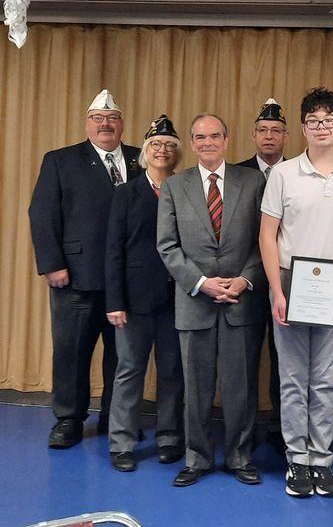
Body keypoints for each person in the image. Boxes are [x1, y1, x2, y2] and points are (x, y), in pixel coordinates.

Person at [259, 87, 333, 498]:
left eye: (328, 121)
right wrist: (276, 290)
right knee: (292, 378)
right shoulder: (283, 174)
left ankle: (321, 460)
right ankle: (297, 462)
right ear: (303, 128)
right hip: (290, 280)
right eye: (313, 122)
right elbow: (267, 236)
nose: (321, 128)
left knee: (324, 379)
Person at [157, 114, 267, 487]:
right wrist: (201, 283)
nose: (207, 142)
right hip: (195, 301)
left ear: (227, 138)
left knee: (240, 387)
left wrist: (245, 279)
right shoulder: (175, 186)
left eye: (214, 135)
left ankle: (239, 456)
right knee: (196, 387)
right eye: (200, 137)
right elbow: (167, 246)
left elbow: (264, 240)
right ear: (192, 142)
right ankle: (197, 458)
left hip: (241, 301)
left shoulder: (254, 182)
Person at [29, 89, 141, 448]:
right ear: (87, 124)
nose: (105, 124)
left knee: (122, 354)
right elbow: (42, 214)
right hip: (76, 276)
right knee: (72, 351)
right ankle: (68, 419)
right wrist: (52, 264)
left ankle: (116, 417)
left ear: (122, 123)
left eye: (111, 118)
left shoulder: (143, 159)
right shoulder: (60, 160)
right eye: (97, 118)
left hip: (127, 280)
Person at [105, 115, 184, 472]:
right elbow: (113, 251)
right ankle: (121, 441)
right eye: (156, 144)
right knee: (129, 370)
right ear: (145, 152)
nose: (162, 150)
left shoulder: (185, 191)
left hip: (176, 299)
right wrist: (115, 301)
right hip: (133, 302)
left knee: (172, 371)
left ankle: (169, 436)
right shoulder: (126, 193)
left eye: (169, 145)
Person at [237, 98, 289, 455]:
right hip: (246, 283)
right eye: (263, 130)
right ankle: (244, 431)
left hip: (287, 281)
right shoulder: (236, 173)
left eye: (276, 131)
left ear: (286, 136)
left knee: (286, 361)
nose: (269, 136)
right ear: (254, 135)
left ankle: (284, 430)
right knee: (244, 359)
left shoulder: (298, 173)